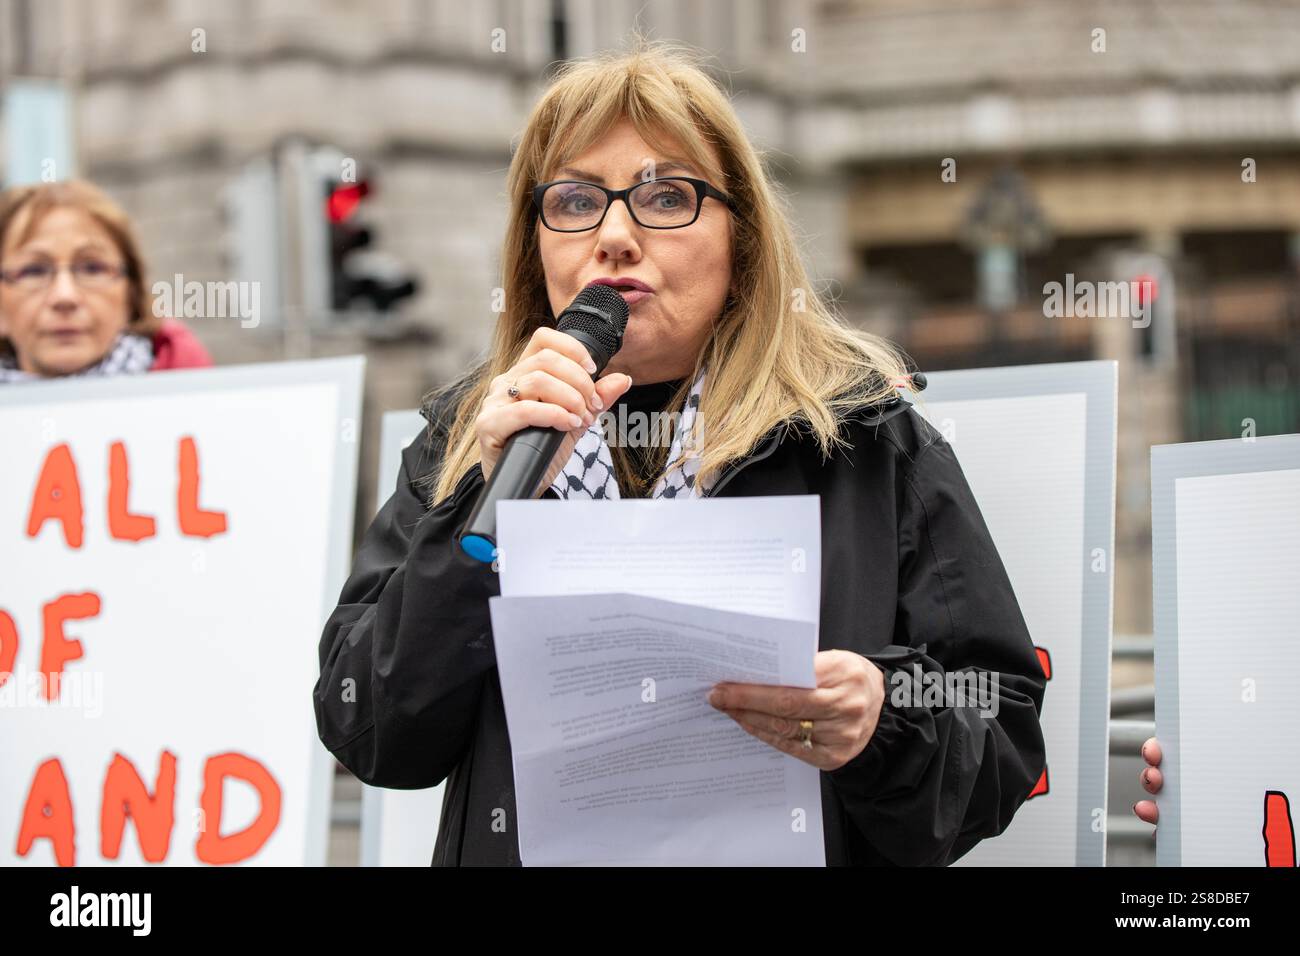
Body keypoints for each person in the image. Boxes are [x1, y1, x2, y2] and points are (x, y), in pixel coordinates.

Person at [314, 40, 1047, 866]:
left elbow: (1002, 729)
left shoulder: (865, 437)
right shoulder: (470, 442)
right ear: (536, 247)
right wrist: (476, 515)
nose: (616, 235)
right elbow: (369, 731)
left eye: (666, 196)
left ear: (743, 239)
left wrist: (883, 722)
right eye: (576, 200)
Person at [0, 180, 212, 382]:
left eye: (92, 269)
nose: (65, 296)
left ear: (131, 294)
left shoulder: (197, 401)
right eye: (34, 271)